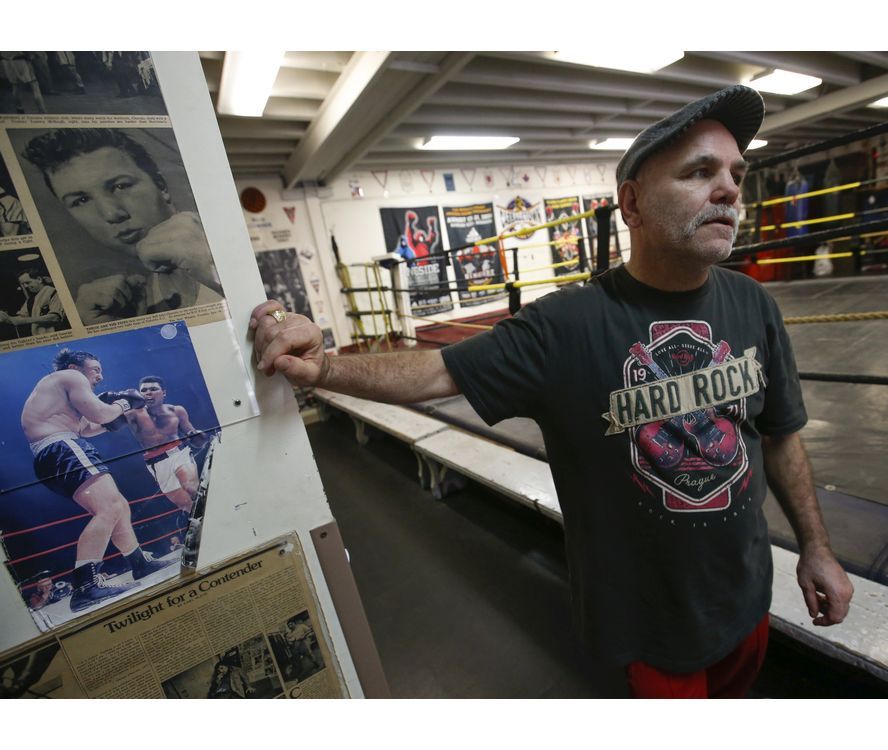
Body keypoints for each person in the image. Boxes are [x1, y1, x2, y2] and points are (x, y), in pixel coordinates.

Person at [250, 85, 854, 699]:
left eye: (735, 173)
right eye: (700, 171)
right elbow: (438, 372)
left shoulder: (754, 304)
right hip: (650, 625)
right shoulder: (566, 325)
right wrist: (325, 368)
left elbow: (780, 435)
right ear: (633, 204)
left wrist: (816, 548)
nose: (728, 189)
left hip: (749, 596)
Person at [20, 348, 172, 612]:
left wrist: (119, 417)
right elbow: (101, 414)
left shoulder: (57, 396)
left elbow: (89, 428)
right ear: (75, 367)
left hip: (56, 451)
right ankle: (85, 587)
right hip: (62, 447)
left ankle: (139, 563)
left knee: (119, 505)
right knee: (110, 507)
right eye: (95, 370)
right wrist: (123, 403)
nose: (100, 377)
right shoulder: (69, 376)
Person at [21, 129, 223, 325]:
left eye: (121, 186)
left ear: (160, 185)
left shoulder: (229, 247)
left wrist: (218, 273)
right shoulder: (138, 301)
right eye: (81, 200)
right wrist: (113, 329)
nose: (111, 214)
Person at [124, 375, 207, 515]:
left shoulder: (177, 410)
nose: (148, 393)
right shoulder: (131, 415)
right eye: (144, 390)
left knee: (191, 487)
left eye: (153, 389)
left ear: (163, 392)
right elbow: (105, 420)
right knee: (186, 505)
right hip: (155, 463)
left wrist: (199, 436)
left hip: (179, 454)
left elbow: (195, 438)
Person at [0, 269, 66, 337]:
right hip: (38, 337)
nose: (25, 286)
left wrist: (25, 320)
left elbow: (55, 317)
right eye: (23, 284)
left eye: (28, 283)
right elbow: (21, 318)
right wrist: (7, 318)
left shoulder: (54, 292)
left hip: (56, 336)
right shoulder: (30, 300)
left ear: (39, 279)